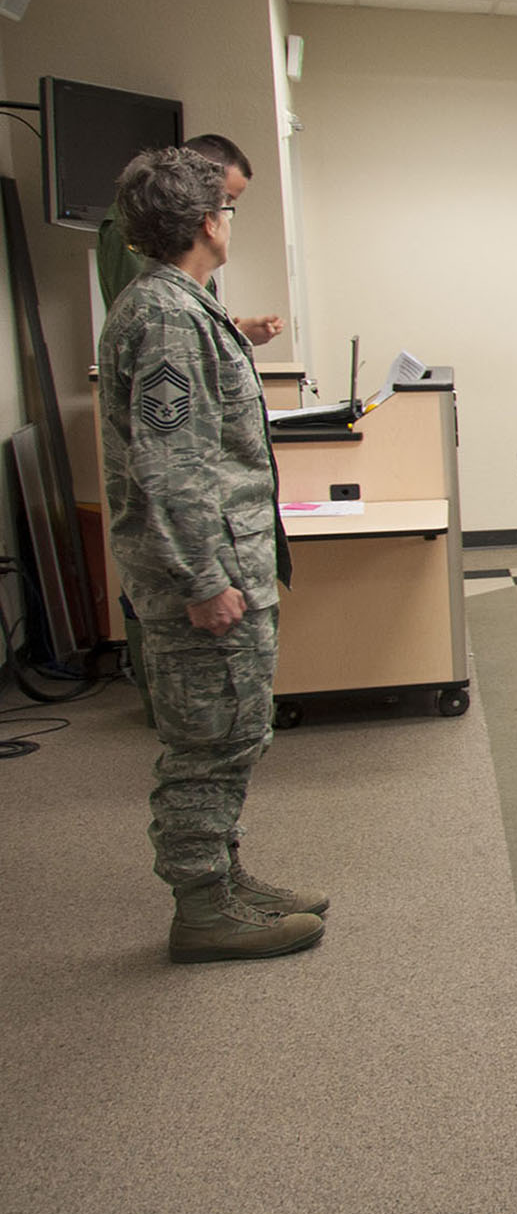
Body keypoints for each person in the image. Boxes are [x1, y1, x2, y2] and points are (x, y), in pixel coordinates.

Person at [99, 147, 324, 964]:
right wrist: (203, 579)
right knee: (209, 742)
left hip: (222, 562)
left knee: (234, 730)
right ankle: (202, 908)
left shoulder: (181, 306)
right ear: (206, 221)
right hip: (204, 577)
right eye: (226, 211)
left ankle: (226, 880)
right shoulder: (166, 316)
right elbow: (170, 467)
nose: (229, 223)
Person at [97, 133, 284, 346]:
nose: (222, 213)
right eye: (223, 200)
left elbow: (189, 330)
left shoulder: (181, 262)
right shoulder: (136, 228)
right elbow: (158, 330)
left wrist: (236, 332)